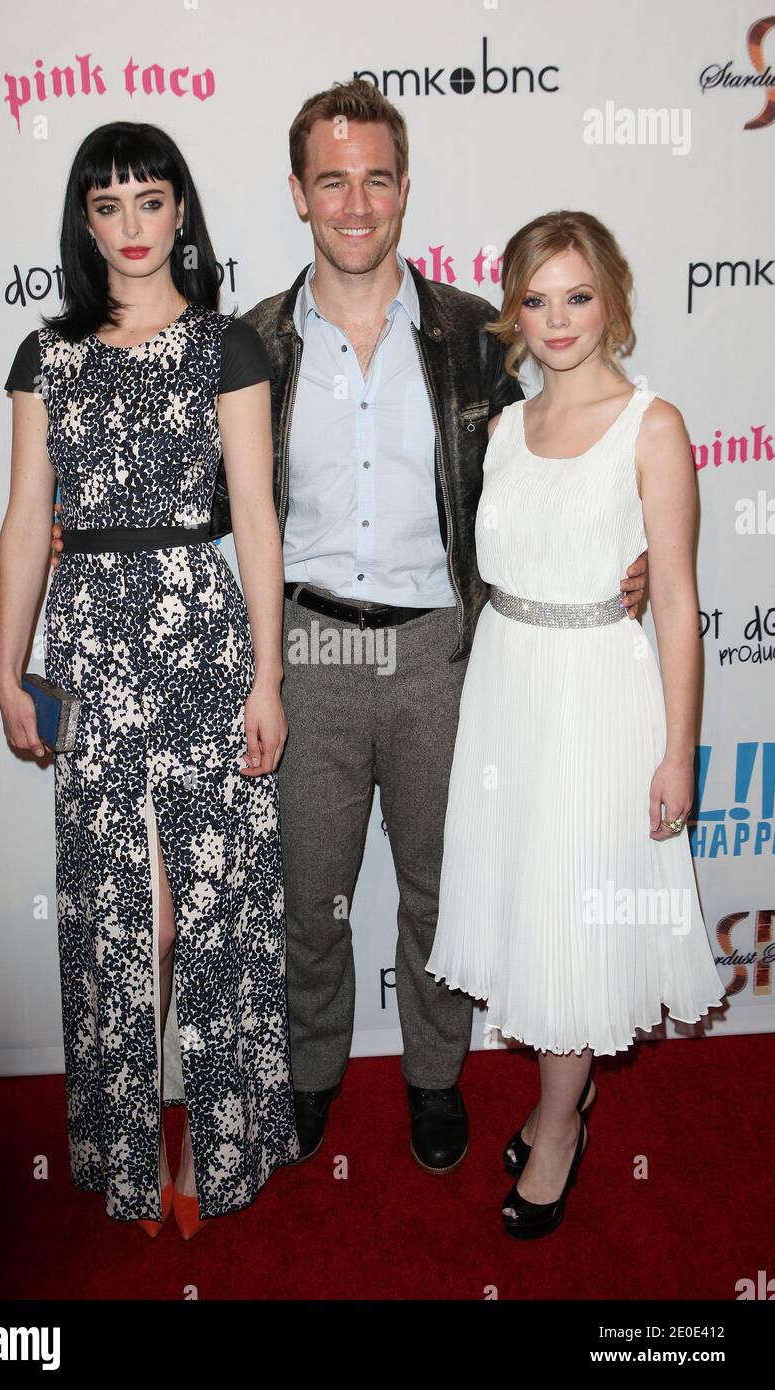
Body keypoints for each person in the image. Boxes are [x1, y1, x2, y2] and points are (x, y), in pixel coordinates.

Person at [50, 82, 648, 1174]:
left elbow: (575, 441)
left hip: (439, 650)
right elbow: (167, 476)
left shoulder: (476, 336)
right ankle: (310, 1074)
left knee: (437, 887)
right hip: (305, 649)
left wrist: (632, 553)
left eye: (376, 177)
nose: (355, 202)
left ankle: (432, 1080)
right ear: (297, 193)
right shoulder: (251, 341)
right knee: (306, 895)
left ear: (404, 189)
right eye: (332, 179)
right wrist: (72, 537)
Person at [0, 121, 299, 1239]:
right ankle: (129, 1143)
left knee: (202, 909)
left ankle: (209, 1139)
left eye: (150, 202)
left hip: (201, 640)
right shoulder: (46, 354)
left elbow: (257, 520)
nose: (131, 228)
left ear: (181, 212)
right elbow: (29, 518)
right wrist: (3, 664)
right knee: (119, 912)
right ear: (84, 222)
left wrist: (269, 676)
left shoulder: (229, 348)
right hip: (85, 648)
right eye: (108, 206)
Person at [425, 210, 726, 1238]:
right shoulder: (504, 425)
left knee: (571, 924)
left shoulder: (653, 424)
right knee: (525, 914)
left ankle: (557, 1128)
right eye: (535, 299)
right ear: (512, 310)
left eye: (577, 296)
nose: (556, 320)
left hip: (598, 697)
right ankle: (570, 1095)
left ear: (613, 300)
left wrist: (676, 752)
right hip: (505, 695)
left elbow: (677, 599)